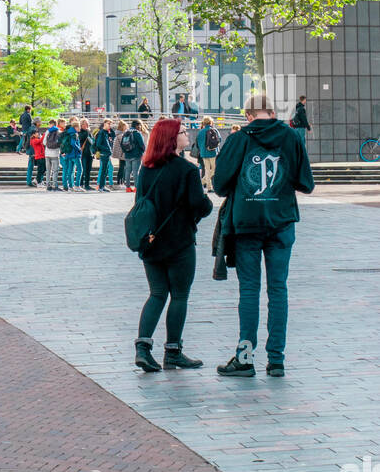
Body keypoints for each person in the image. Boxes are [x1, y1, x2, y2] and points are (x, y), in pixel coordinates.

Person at [214, 94, 314, 378]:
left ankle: (245, 359)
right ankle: (277, 359)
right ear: (271, 112)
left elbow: (220, 184)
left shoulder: (238, 139)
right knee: (278, 289)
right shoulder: (291, 137)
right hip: (281, 222)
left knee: (249, 291)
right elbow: (306, 182)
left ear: (248, 115)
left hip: (246, 224)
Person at [132, 118, 212, 372]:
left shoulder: (146, 168)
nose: (187, 134)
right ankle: (173, 352)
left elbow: (140, 205)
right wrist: (206, 200)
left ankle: (143, 348)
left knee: (157, 294)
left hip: (151, 242)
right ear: (172, 138)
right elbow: (200, 206)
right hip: (179, 242)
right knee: (179, 295)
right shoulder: (187, 170)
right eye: (183, 132)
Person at [195, 116, 221, 193]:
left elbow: (197, 143)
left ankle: (209, 187)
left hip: (203, 153)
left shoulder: (200, 132)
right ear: (210, 122)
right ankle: (202, 182)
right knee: (214, 169)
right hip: (212, 152)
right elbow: (219, 140)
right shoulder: (214, 130)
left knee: (207, 169)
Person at [121, 120, 145, 193]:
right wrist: (143, 151)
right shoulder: (137, 133)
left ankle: (127, 188)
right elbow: (142, 145)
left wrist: (125, 152)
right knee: (135, 172)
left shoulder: (126, 133)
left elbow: (122, 144)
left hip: (127, 155)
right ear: (137, 125)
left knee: (128, 171)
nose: (141, 127)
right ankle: (136, 188)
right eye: (140, 125)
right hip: (136, 155)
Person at [59, 118, 81, 191]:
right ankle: (77, 185)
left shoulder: (67, 132)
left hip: (68, 154)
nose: (80, 128)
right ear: (75, 127)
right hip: (75, 154)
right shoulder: (74, 133)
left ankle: (70, 186)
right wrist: (79, 149)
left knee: (70, 171)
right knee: (80, 170)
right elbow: (73, 143)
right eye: (79, 126)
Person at [94, 120, 115, 191]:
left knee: (105, 171)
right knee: (104, 171)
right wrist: (107, 149)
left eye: (110, 124)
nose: (110, 125)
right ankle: (101, 187)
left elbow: (113, 137)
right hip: (104, 153)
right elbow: (98, 144)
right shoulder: (101, 133)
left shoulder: (107, 133)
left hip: (107, 153)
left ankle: (102, 186)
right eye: (108, 124)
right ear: (104, 124)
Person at [43, 119, 62, 191]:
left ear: (51, 124)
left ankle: (48, 185)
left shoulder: (47, 131)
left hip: (47, 154)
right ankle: (55, 185)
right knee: (55, 170)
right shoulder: (59, 131)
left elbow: (44, 142)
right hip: (55, 153)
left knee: (48, 170)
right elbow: (60, 143)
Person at [78, 117, 95, 191]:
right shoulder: (80, 132)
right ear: (81, 125)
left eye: (87, 124)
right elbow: (80, 139)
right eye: (84, 124)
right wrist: (86, 132)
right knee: (83, 169)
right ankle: (80, 184)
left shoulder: (89, 132)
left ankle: (87, 185)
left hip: (89, 153)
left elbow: (92, 142)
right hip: (83, 153)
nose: (86, 125)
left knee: (88, 169)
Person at [112, 119, 128, 186]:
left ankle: (121, 182)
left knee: (122, 168)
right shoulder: (121, 135)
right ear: (123, 127)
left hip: (120, 153)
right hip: (122, 153)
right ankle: (120, 182)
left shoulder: (118, 134)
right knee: (122, 168)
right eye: (126, 127)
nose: (127, 128)